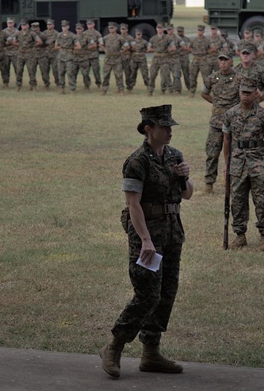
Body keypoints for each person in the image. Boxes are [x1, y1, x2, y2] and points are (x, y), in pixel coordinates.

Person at [100, 104, 193, 379]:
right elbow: (133, 205)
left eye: (170, 127)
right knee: (148, 294)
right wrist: (145, 241)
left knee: (166, 293)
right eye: (164, 127)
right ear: (148, 129)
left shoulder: (174, 156)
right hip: (147, 233)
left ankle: (151, 352)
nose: (169, 131)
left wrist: (185, 177)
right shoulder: (137, 161)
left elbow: (187, 195)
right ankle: (114, 345)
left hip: (172, 232)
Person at [223, 78, 264, 251]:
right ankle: (240, 235)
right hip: (237, 162)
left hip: (257, 162)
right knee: (237, 199)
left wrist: (261, 144)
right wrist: (226, 164)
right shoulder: (230, 114)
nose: (245, 96)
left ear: (256, 94)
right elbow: (226, 139)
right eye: (242, 92)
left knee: (262, 199)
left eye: (248, 92)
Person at [200, 50, 239, 193]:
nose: (223, 63)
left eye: (226, 60)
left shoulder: (239, 78)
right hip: (216, 123)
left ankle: (232, 180)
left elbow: (247, 96)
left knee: (235, 153)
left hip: (234, 123)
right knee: (212, 152)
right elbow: (204, 93)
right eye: (221, 60)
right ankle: (209, 183)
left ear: (231, 61)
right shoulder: (212, 78)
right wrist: (215, 103)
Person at [101, 22, 129, 95]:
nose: (111, 29)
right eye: (110, 28)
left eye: (112, 28)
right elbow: (100, 44)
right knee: (105, 75)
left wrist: (121, 52)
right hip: (108, 59)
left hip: (117, 59)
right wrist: (105, 50)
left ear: (116, 28)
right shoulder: (106, 37)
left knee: (119, 75)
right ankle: (104, 90)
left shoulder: (120, 38)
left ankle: (121, 90)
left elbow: (127, 46)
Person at [148, 24, 174, 95]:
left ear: (163, 29)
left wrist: (167, 50)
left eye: (161, 28)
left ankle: (170, 90)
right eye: (158, 28)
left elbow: (173, 47)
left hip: (164, 59)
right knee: (152, 75)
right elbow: (149, 49)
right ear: (156, 29)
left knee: (166, 75)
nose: (159, 29)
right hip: (156, 59)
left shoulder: (168, 38)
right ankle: (150, 91)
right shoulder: (153, 39)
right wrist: (157, 50)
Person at [54, 20, 76, 93]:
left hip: (69, 57)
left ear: (68, 27)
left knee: (70, 73)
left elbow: (78, 46)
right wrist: (61, 48)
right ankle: (62, 88)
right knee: (61, 73)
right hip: (61, 57)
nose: (64, 28)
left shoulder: (72, 35)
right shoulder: (59, 35)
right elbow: (56, 46)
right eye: (62, 26)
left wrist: (70, 49)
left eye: (65, 26)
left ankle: (72, 89)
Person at [189, 25, 211, 94]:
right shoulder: (193, 40)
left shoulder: (207, 40)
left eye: (201, 31)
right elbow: (189, 47)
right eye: (198, 30)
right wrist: (193, 52)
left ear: (203, 32)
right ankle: (192, 91)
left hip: (203, 60)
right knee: (193, 76)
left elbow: (212, 48)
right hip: (195, 60)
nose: (199, 32)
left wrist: (206, 53)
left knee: (206, 77)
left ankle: (206, 92)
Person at [83, 19, 103, 88]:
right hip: (86, 56)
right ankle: (87, 85)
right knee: (85, 72)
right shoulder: (84, 34)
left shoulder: (97, 34)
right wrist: (90, 47)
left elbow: (101, 44)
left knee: (96, 71)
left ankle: (98, 84)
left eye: (90, 24)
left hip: (94, 56)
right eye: (88, 24)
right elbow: (82, 45)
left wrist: (96, 45)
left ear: (93, 24)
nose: (89, 25)